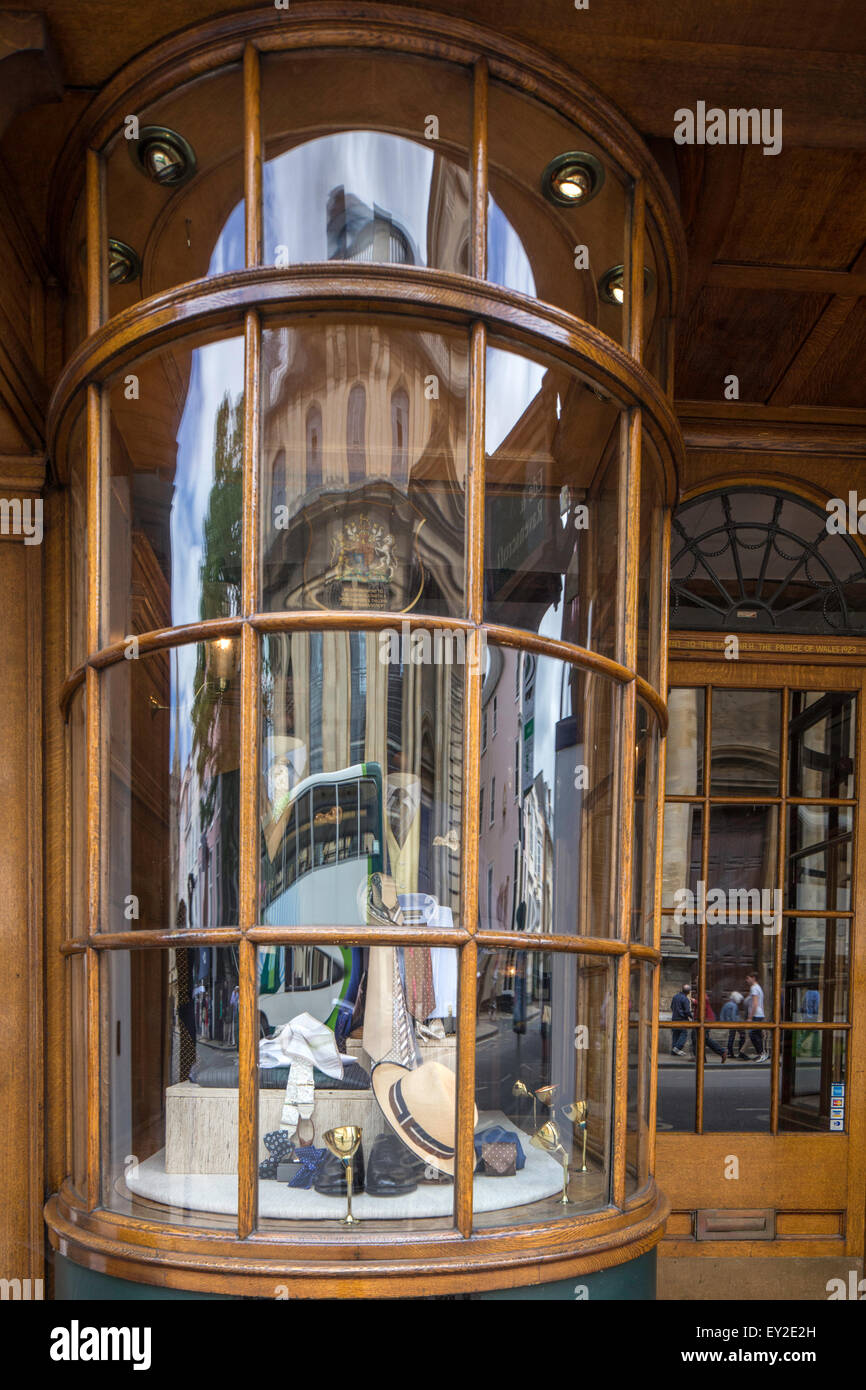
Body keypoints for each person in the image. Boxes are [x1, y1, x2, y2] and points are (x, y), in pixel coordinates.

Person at [745, 972, 768, 1060]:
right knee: (757, 1034)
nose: (746, 980)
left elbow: (755, 1003)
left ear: (753, 978)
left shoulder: (754, 988)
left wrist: (750, 1017)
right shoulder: (759, 988)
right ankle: (762, 1053)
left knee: (753, 1034)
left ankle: (761, 1053)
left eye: (748, 978)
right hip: (760, 1014)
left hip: (756, 1015)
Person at [720, 990, 745, 1058]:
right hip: (733, 1023)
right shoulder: (734, 1005)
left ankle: (730, 1052)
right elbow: (734, 1016)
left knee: (731, 1037)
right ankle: (740, 1051)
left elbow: (722, 1014)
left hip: (728, 1022)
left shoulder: (727, 1004)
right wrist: (737, 1025)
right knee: (742, 1035)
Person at [670, 984, 693, 1055]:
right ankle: (677, 1048)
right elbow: (687, 1011)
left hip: (674, 1018)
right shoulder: (685, 999)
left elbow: (671, 1007)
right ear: (689, 992)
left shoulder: (675, 997)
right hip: (682, 1019)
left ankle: (673, 1051)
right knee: (684, 1034)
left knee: (675, 1034)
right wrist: (692, 1017)